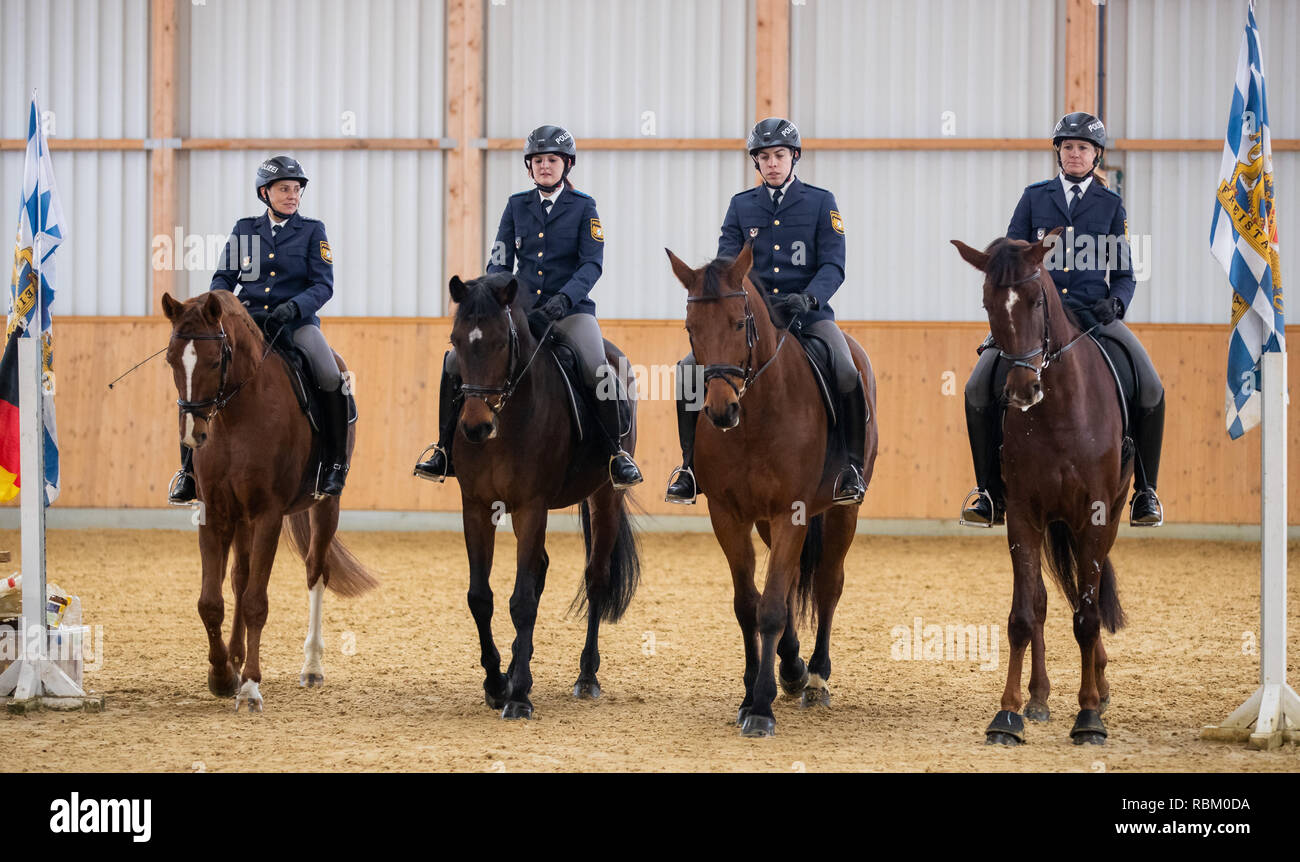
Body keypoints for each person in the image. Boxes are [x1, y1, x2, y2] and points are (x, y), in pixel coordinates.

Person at [960, 111, 1165, 528]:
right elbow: (1011, 255)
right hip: (1035, 317)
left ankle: (1145, 492)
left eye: (1083, 148)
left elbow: (1125, 273)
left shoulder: (1110, 205)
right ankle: (986, 492)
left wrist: (1117, 304)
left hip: (1092, 316)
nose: (1075, 154)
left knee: (1150, 387)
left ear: (1096, 156)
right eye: (1068, 147)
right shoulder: (1035, 197)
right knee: (978, 385)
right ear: (1059, 152)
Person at [413, 125, 643, 489]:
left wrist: (561, 301)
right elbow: (500, 262)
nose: (545, 166)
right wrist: (495, 297)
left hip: (571, 311)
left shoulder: (584, 207)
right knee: (456, 361)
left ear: (566, 165)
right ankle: (443, 449)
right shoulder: (516, 206)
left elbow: (591, 265)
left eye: (552, 160)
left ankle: (616, 454)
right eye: (538, 160)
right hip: (520, 310)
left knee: (598, 367)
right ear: (530, 166)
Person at [664, 117, 868, 506]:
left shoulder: (821, 202)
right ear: (756, 163)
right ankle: (689, 469)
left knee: (845, 367)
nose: (772, 163)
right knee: (687, 370)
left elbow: (833, 264)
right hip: (751, 319)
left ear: (794, 158)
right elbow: (727, 262)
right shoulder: (741, 206)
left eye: (779, 155)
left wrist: (809, 298)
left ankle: (850, 468)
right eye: (764, 157)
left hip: (807, 315)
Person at [168, 155, 350, 504]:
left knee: (330, 374)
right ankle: (188, 470)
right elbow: (223, 279)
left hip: (295, 325)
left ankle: (334, 465)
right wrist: (231, 310)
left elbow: (323, 285)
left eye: (296, 190)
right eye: (284, 189)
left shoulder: (313, 231)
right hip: (248, 326)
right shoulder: (245, 230)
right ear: (265, 193)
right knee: (199, 375)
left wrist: (294, 307)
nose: (292, 196)